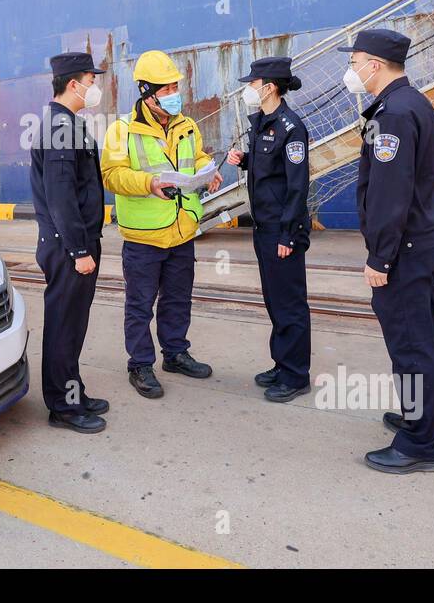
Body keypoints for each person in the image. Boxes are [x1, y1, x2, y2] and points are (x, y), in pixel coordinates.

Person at [337, 29, 434, 473]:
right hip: (424, 240)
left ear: (375, 64)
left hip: (403, 248)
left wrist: (379, 258)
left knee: (410, 344)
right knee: (426, 336)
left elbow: (390, 194)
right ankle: (428, 422)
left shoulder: (393, 115)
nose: (352, 71)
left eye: (354, 62)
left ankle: (419, 444)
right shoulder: (411, 103)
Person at [101, 50, 223, 399]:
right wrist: (148, 184)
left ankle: (175, 353)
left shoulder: (186, 124)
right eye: (167, 90)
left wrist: (208, 171)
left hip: (182, 227)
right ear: (147, 92)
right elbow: (111, 175)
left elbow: (197, 156)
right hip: (144, 235)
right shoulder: (120, 130)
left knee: (177, 298)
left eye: (175, 88)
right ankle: (140, 364)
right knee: (140, 304)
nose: (174, 95)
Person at [226, 56, 312, 403]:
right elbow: (269, 168)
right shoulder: (263, 122)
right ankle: (282, 362)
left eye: (252, 83)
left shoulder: (292, 128)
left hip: (281, 230)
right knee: (274, 300)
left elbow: (297, 186)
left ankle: (295, 375)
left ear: (269, 87)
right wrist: (245, 161)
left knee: (290, 303)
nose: (249, 89)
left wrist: (288, 235)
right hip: (264, 227)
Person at [31, 52, 109, 434]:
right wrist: (79, 250)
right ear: (74, 84)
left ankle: (72, 392)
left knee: (73, 325)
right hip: (68, 248)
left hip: (75, 243)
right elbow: (61, 196)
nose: (95, 87)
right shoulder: (60, 127)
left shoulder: (67, 124)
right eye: (91, 80)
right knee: (64, 326)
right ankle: (62, 405)